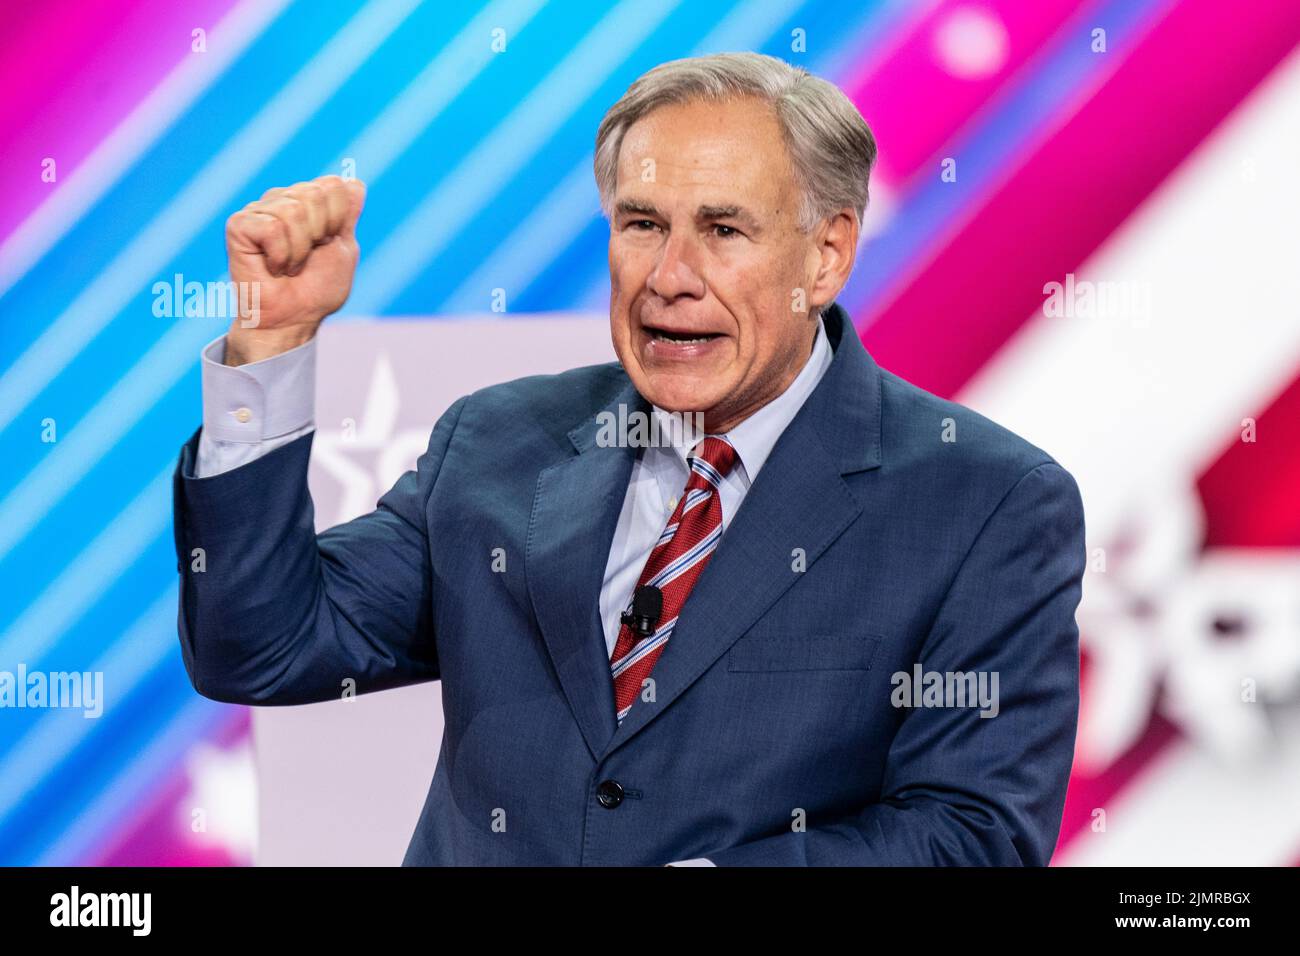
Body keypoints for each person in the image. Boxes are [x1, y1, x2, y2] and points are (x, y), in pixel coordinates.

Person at [173, 51, 1086, 866]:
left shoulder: (985, 503)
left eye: (724, 231)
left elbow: (976, 838)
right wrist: (273, 346)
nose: (669, 276)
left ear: (827, 255)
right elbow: (262, 649)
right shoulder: (497, 443)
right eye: (643, 224)